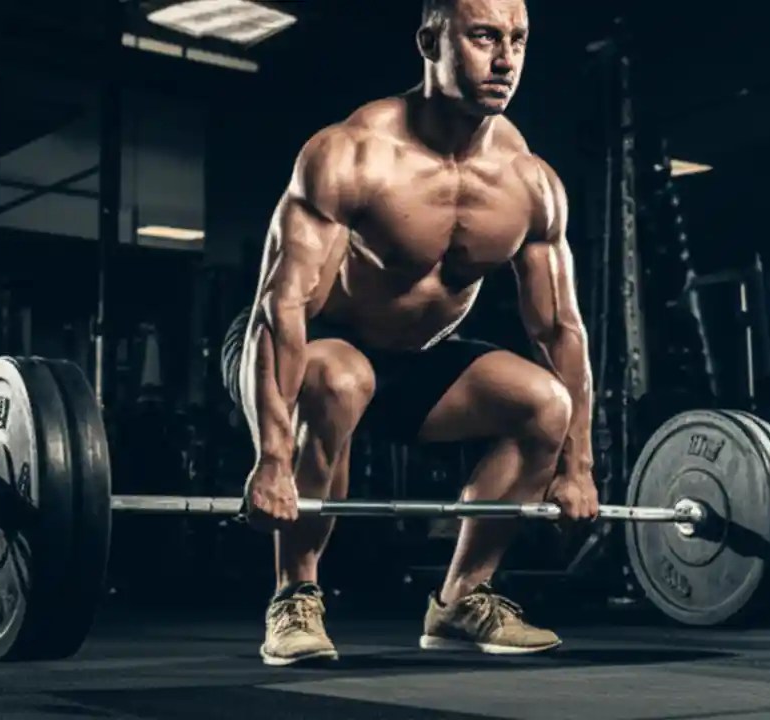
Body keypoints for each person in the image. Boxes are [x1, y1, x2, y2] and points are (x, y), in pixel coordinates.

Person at [221, 0, 599, 666]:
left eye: (518, 39)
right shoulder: (352, 153)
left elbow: (561, 329)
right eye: (484, 36)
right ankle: (294, 597)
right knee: (342, 377)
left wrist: (579, 466)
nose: (506, 59)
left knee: (546, 406)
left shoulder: (529, 182)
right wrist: (273, 457)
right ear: (430, 39)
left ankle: (461, 599)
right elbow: (281, 307)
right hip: (301, 345)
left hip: (413, 361)